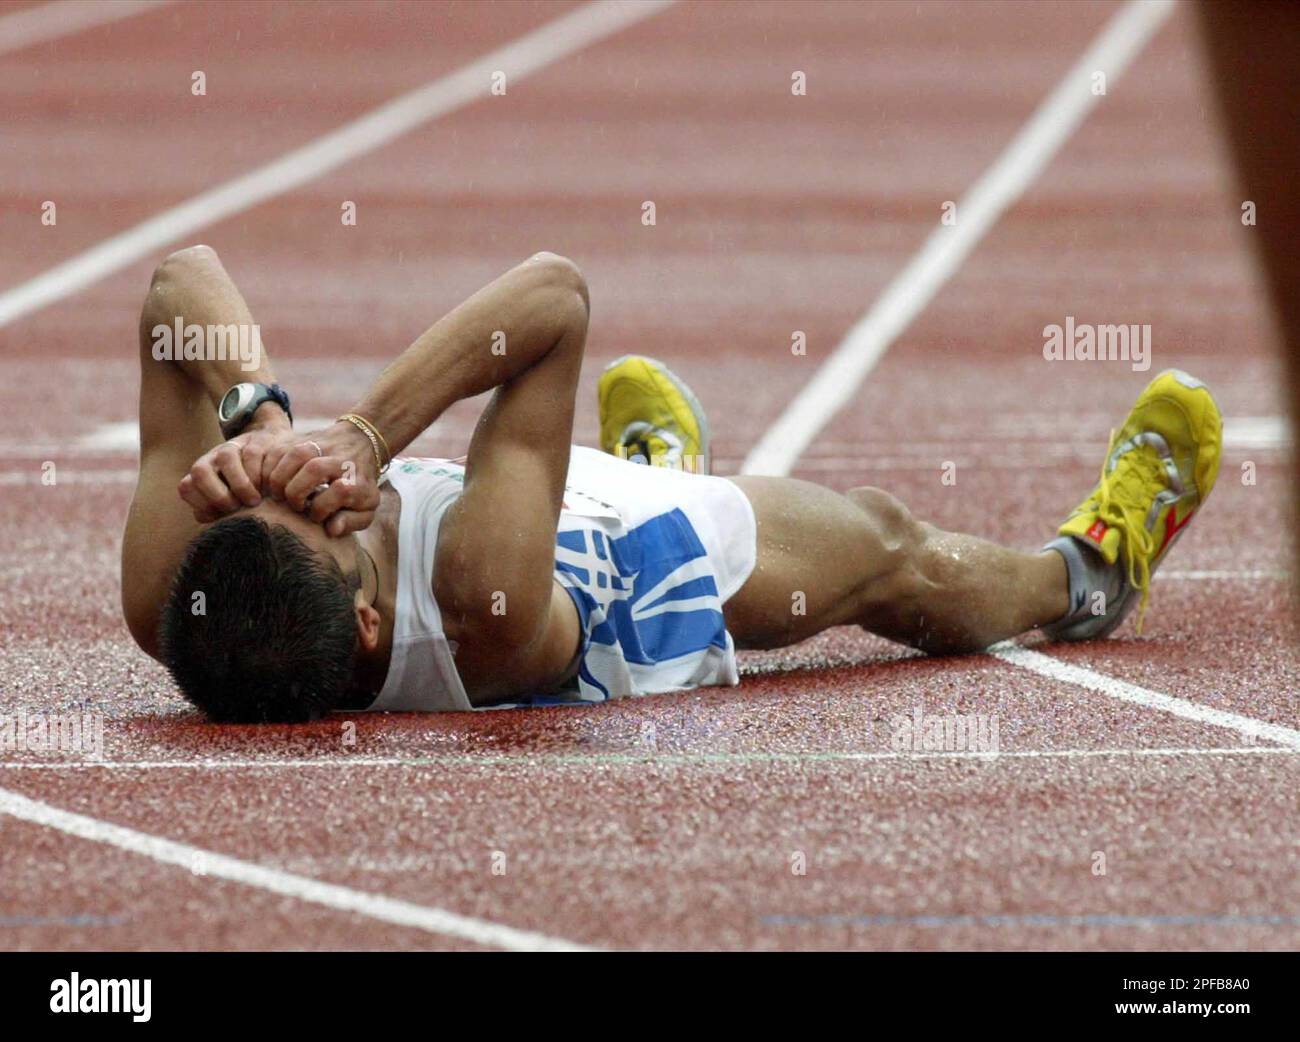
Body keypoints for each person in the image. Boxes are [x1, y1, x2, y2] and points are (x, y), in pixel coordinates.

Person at [120, 245, 1222, 722]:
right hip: (628, 588)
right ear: (368, 621)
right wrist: (363, 437)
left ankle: (648, 454)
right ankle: (1086, 574)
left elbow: (179, 284)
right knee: (894, 556)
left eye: (257, 492)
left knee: (534, 469)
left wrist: (255, 415)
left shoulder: (180, 590)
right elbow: (552, 301)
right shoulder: (476, 601)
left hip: (512, 503)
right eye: (313, 512)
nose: (293, 486)